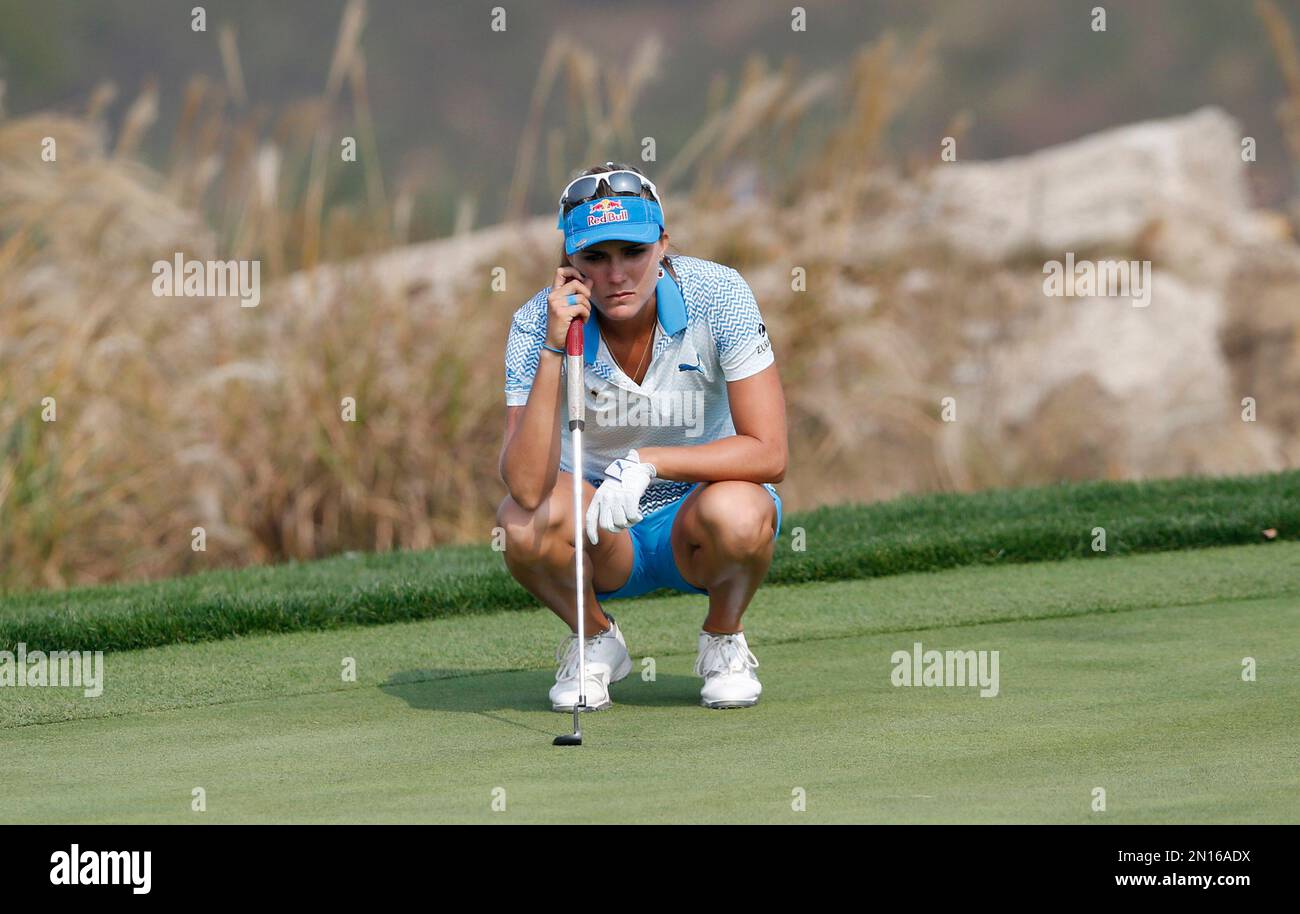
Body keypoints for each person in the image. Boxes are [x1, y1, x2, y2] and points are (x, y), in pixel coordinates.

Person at [496, 162, 788, 712]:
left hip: (698, 513)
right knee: (518, 524)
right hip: (599, 530)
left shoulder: (719, 293)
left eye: (633, 252)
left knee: (741, 514)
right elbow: (526, 488)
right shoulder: (536, 322)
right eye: (596, 258)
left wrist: (650, 461)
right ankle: (596, 641)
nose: (616, 275)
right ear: (570, 263)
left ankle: (723, 638)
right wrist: (555, 348)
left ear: (663, 245)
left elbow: (769, 453)